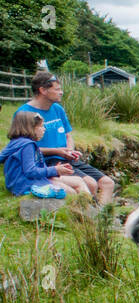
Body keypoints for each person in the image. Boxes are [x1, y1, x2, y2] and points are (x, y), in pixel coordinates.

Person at [15, 72, 115, 204]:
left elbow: (68, 135)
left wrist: (70, 151)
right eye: (57, 89)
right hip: (47, 161)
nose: (61, 92)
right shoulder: (24, 113)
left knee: (108, 183)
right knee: (90, 183)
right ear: (43, 90)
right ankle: (90, 218)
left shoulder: (58, 109)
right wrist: (57, 151)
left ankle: (103, 218)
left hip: (65, 158)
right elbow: (23, 147)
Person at [2, 111, 87, 198]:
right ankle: (84, 208)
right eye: (41, 126)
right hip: (26, 185)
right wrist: (54, 170)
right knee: (71, 192)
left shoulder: (18, 142)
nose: (44, 129)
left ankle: (88, 208)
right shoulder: (27, 146)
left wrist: (56, 170)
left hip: (24, 183)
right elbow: (30, 172)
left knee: (79, 180)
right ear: (31, 128)